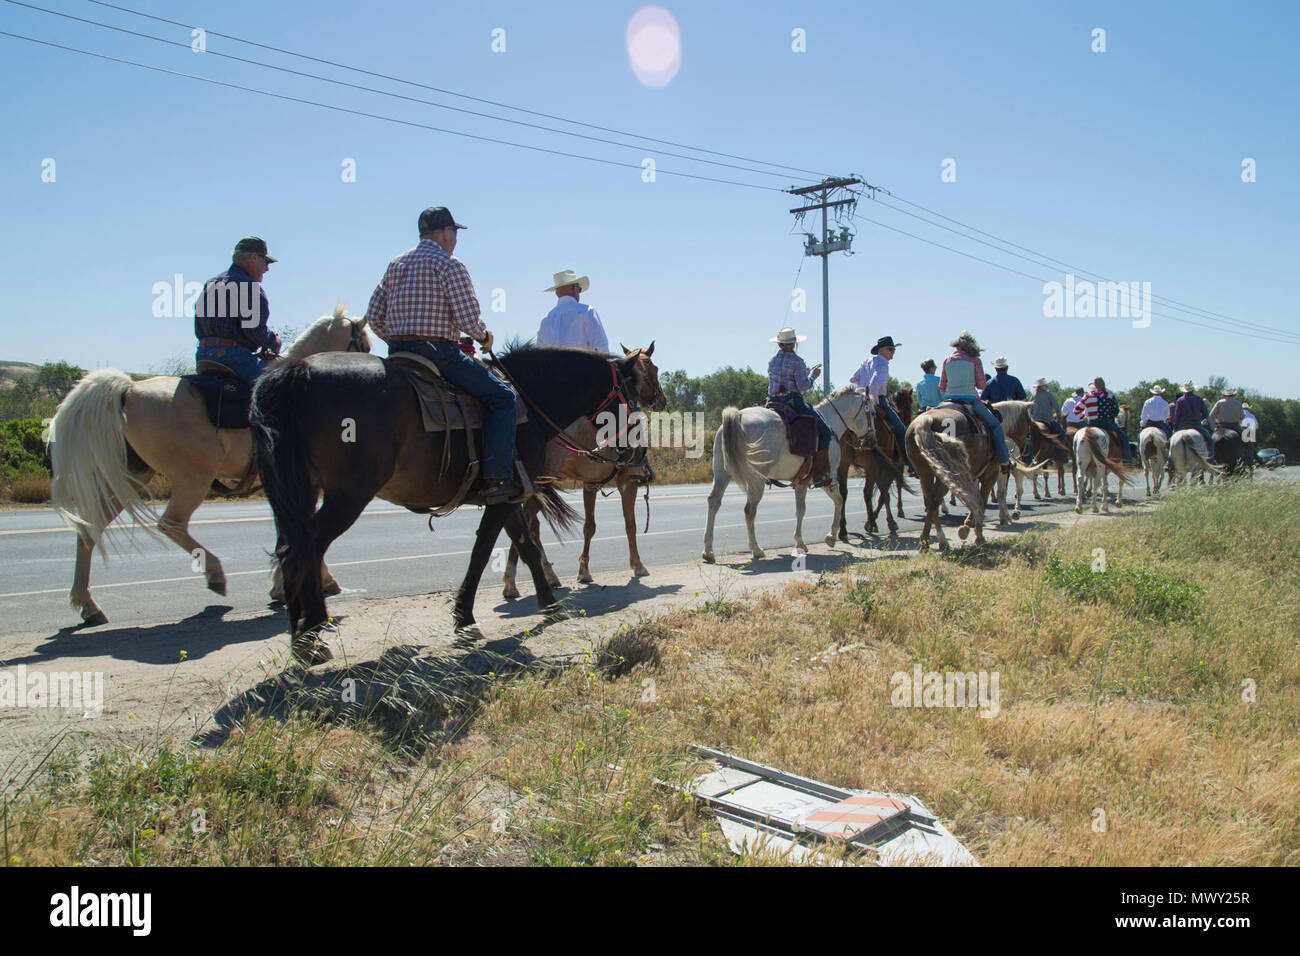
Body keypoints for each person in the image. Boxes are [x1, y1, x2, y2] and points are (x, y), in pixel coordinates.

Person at [364, 206, 522, 505]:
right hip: (439, 353)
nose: (455, 240)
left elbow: (374, 316)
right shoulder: (449, 264)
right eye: (455, 233)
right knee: (503, 398)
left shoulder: (396, 264)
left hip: (397, 353)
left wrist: (398, 339)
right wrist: (483, 335)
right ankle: (497, 477)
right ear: (445, 232)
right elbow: (466, 319)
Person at [194, 236, 283, 384]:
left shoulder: (211, 283)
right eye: (266, 262)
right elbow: (254, 329)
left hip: (203, 355)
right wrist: (274, 342)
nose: (267, 269)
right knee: (280, 387)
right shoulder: (248, 286)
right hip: (233, 356)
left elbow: (198, 327)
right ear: (253, 257)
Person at [938, 330, 1011, 473]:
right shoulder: (975, 360)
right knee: (995, 425)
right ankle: (1003, 460)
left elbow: (942, 386)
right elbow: (982, 385)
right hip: (969, 400)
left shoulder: (947, 360)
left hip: (948, 401)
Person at [766, 326, 831, 486]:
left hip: (773, 402)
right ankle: (819, 473)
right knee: (825, 432)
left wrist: (804, 372)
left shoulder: (772, 360)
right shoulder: (798, 361)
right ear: (794, 344)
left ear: (780, 344)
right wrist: (813, 375)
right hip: (792, 401)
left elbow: (779, 379)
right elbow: (803, 386)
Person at [850, 335, 909, 466]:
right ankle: (909, 463)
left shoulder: (866, 361)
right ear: (881, 349)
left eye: (894, 349)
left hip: (861, 400)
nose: (893, 352)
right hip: (878, 400)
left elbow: (853, 379)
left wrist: (862, 388)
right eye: (891, 349)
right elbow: (875, 384)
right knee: (902, 430)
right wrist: (874, 401)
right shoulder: (882, 364)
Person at [537, 270, 609, 353]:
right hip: (581, 365)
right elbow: (601, 347)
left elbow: (539, 353)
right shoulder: (587, 311)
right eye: (579, 289)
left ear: (556, 292)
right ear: (575, 288)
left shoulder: (546, 320)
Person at [1077, 376, 1131, 462]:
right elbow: (1116, 411)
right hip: (1107, 423)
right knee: (1124, 438)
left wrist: (1084, 417)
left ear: (1095, 387)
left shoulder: (1087, 396)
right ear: (1104, 386)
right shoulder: (1110, 396)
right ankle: (1127, 461)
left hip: (1092, 423)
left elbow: (1076, 410)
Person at [1028, 378, 1066, 462]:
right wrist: (1059, 416)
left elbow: (1029, 410)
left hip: (1035, 421)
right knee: (1062, 433)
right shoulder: (1049, 395)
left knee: (1028, 438)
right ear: (1044, 386)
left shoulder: (1033, 396)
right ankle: (1060, 455)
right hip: (1048, 420)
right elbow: (1056, 407)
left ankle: (1027, 456)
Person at [1170, 381, 1213, 446]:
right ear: (1192, 390)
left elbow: (1177, 416)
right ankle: (1211, 456)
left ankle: (1170, 456)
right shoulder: (1199, 399)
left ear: (1184, 390)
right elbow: (1205, 414)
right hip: (1196, 424)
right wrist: (1200, 417)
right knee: (1210, 439)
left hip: (1183, 424)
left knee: (1171, 441)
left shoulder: (1180, 400)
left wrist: (1175, 427)